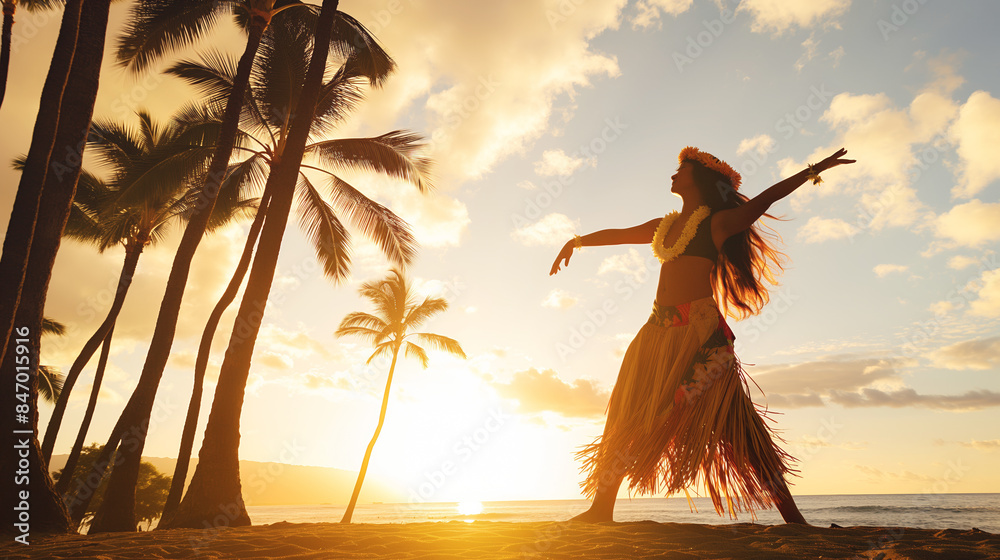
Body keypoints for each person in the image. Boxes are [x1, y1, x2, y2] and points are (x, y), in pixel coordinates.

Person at [550, 146, 855, 524]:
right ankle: (600, 510)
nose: (673, 176)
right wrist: (576, 242)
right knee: (626, 414)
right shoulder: (664, 226)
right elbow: (621, 234)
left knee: (738, 429)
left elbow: (768, 197)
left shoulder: (719, 222)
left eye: (681, 170)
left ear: (700, 179)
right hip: (655, 333)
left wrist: (814, 169)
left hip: (700, 336)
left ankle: (794, 519)